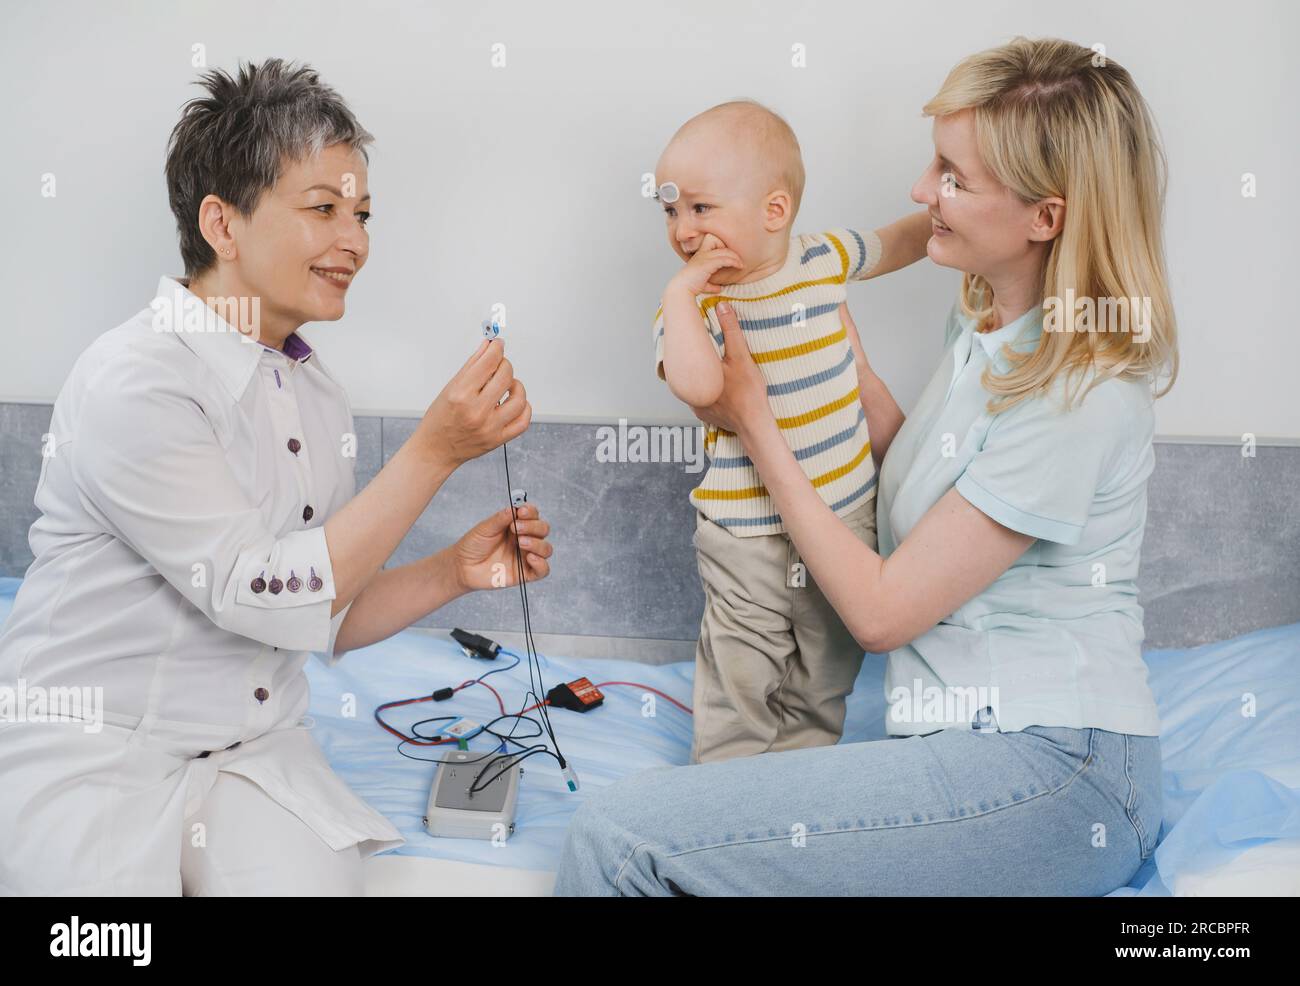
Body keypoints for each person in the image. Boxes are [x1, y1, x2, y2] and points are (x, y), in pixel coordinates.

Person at [554, 36, 1178, 896]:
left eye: (954, 176)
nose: (923, 191)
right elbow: (922, 477)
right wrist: (852, 376)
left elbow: (881, 617)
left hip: (1054, 768)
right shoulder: (994, 330)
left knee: (622, 837)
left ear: (1047, 216)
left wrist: (755, 422)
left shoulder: (1081, 392)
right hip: (975, 743)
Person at [0, 59, 553, 896]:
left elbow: (314, 611)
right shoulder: (137, 382)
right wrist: (435, 450)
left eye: (362, 213)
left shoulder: (313, 393)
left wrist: (454, 575)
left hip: (248, 754)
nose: (356, 240)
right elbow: (258, 591)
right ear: (221, 223)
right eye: (323, 209)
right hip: (96, 751)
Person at [651, 100, 932, 763]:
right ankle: (724, 785)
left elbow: (901, 242)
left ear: (774, 212)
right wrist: (679, 295)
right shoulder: (698, 306)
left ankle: (797, 775)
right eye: (670, 211)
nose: (682, 229)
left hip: (842, 521)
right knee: (741, 674)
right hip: (745, 537)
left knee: (826, 669)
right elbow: (696, 386)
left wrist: (954, 205)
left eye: (700, 208)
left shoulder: (823, 257)